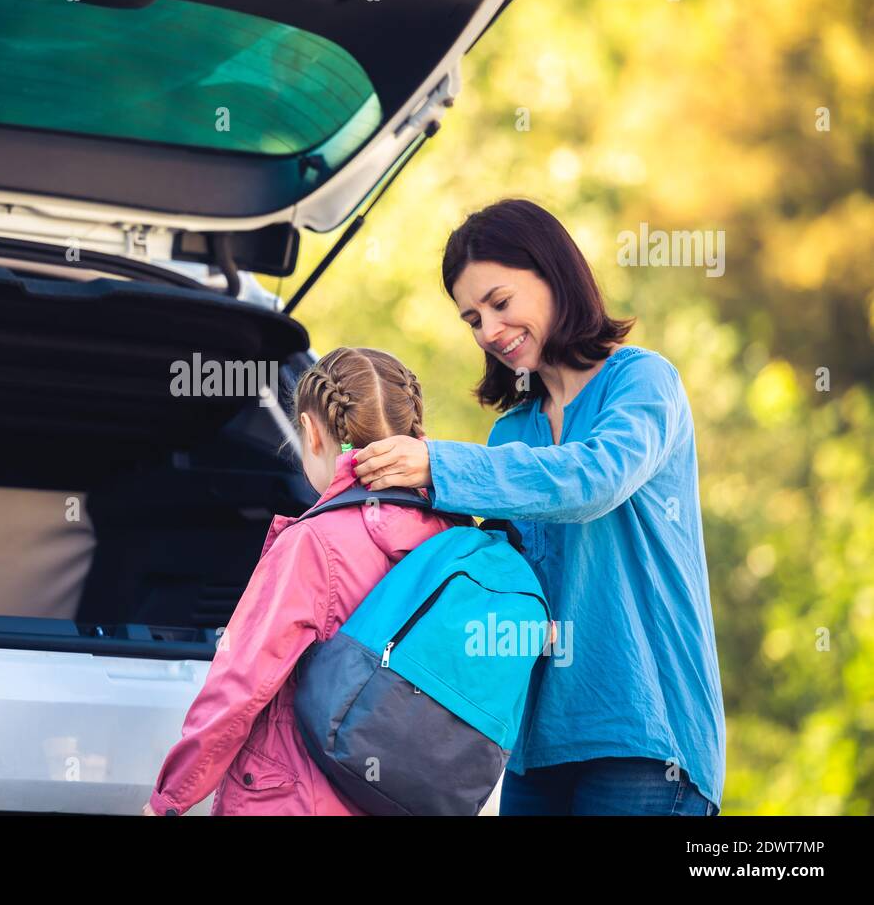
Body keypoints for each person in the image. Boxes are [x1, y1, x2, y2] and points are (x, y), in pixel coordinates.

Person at [353, 198, 726, 815]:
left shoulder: (641, 383)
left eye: (501, 303)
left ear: (555, 276)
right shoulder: (510, 434)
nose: (489, 331)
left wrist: (441, 465)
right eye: (472, 318)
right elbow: (495, 577)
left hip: (644, 735)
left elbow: (592, 481)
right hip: (535, 746)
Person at [143, 347, 456, 815]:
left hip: (289, 797)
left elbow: (240, 687)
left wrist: (170, 799)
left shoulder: (313, 544)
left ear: (310, 432)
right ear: (416, 434)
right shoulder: (453, 540)